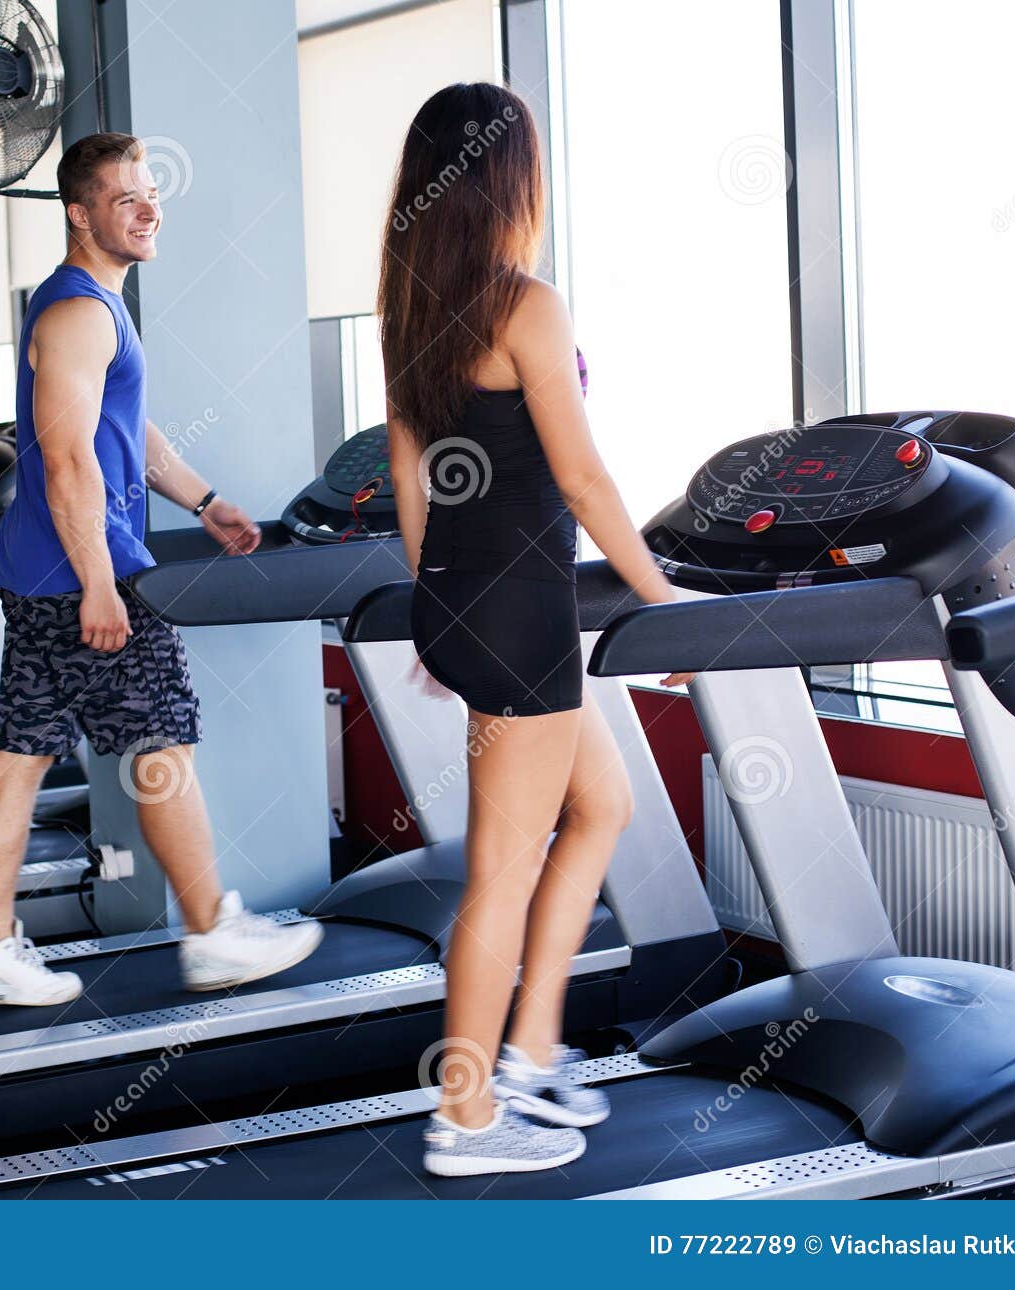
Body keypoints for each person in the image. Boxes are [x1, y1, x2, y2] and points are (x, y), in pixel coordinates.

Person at [378, 84, 693, 1177]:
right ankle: (465, 1117)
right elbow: (584, 478)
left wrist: (439, 606)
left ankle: (532, 1050)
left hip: (466, 603)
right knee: (501, 877)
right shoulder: (524, 304)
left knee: (601, 806)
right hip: (519, 617)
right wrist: (664, 602)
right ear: (511, 181)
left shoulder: (416, 306)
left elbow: (409, 476)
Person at [0, 133, 324, 1007]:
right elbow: (68, 458)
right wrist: (100, 582)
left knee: (23, 751)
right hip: (85, 573)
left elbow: (126, 427)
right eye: (126, 198)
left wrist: (202, 499)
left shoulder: (94, 309)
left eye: (152, 194)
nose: (149, 209)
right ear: (79, 215)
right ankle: (212, 931)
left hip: (46, 573)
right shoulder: (80, 313)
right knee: (161, 744)